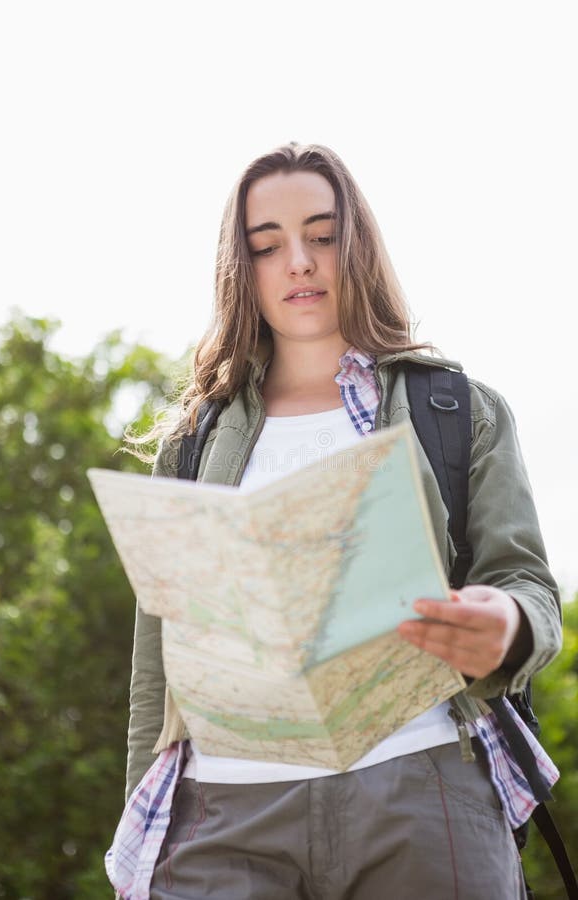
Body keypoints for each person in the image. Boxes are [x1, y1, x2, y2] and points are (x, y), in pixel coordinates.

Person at [108, 143, 562, 900]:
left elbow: (527, 585)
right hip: (221, 815)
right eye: (267, 245)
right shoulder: (192, 443)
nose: (300, 262)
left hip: (420, 790)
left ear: (357, 246)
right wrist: (137, 835)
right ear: (240, 267)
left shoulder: (457, 410)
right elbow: (156, 671)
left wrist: (508, 625)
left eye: (322, 235)